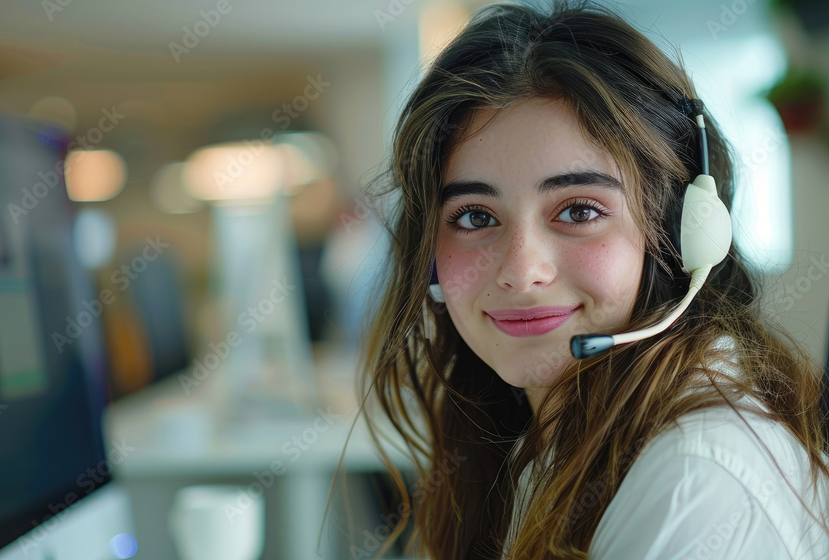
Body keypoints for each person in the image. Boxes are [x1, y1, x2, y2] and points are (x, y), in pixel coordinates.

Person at [350, 0, 829, 558]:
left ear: (681, 233)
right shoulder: (546, 438)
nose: (521, 272)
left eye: (578, 211)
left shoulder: (695, 479)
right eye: (475, 217)